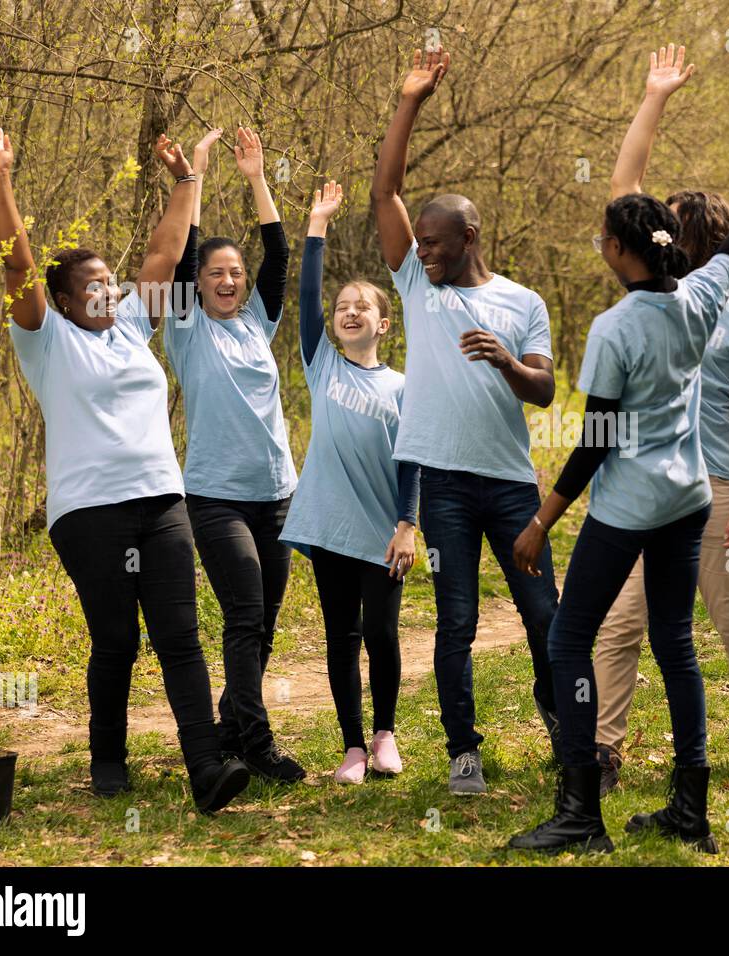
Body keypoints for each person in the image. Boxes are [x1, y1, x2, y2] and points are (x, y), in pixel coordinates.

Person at [506, 87, 729, 853]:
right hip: (689, 498)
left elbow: (596, 439)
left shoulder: (614, 328)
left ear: (619, 251)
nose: (600, 239)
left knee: (570, 640)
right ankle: (689, 810)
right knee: (673, 640)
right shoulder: (703, 296)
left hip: (630, 505)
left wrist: (542, 521)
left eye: (605, 234)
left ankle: (579, 817)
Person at [0, 120, 250, 813]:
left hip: (162, 501)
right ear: (65, 300)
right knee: (117, 640)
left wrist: (188, 180)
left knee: (180, 634)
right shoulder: (45, 340)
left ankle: (205, 769)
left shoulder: (133, 323)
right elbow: (16, 265)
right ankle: (107, 755)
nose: (107, 291)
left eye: (109, 281)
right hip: (88, 511)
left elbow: (165, 249)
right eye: (91, 287)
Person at [594, 45, 729, 792]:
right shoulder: (647, 301)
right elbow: (625, 188)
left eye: (668, 231)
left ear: (694, 244)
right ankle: (606, 751)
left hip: (713, 488)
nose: (651, 237)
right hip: (643, 484)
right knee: (620, 624)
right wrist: (654, 98)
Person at [371, 46, 561, 795]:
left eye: (437, 244)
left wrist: (507, 364)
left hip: (513, 486)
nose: (424, 253)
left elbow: (544, 392)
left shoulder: (522, 302)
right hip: (443, 485)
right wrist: (411, 100)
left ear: (470, 239)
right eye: (418, 244)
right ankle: (462, 752)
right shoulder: (417, 285)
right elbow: (385, 188)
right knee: (456, 625)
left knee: (547, 618)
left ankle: (559, 715)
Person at [166, 127, 303, 783]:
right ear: (198, 283)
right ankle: (257, 741)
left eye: (235, 273)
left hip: (276, 492)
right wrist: (194, 173)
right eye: (215, 272)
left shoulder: (258, 322)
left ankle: (229, 727)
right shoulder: (186, 328)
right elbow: (179, 253)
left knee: (263, 623)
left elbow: (279, 255)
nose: (228, 279)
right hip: (216, 498)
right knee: (246, 613)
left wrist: (255, 175)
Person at [279, 180, 420, 783]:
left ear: (384, 324)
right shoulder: (321, 365)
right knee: (342, 635)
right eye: (343, 308)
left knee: (383, 635)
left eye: (363, 306)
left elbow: (413, 458)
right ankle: (353, 748)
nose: (350, 311)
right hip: (330, 525)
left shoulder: (404, 387)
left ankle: (387, 735)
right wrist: (316, 227)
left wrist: (408, 524)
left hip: (384, 532)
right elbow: (307, 296)